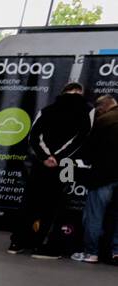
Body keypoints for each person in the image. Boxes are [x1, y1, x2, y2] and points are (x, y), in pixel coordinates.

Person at [8, 82, 92, 258]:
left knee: (31, 201)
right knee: (56, 204)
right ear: (80, 93)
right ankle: (45, 244)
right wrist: (59, 158)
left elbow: (34, 137)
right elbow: (81, 139)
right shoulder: (87, 110)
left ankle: (18, 241)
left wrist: (46, 157)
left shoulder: (47, 109)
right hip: (66, 165)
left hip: (41, 164)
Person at [72, 95, 118, 264]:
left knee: (94, 215)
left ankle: (91, 253)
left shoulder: (104, 121)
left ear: (101, 108)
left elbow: (89, 150)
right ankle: (116, 252)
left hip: (103, 176)